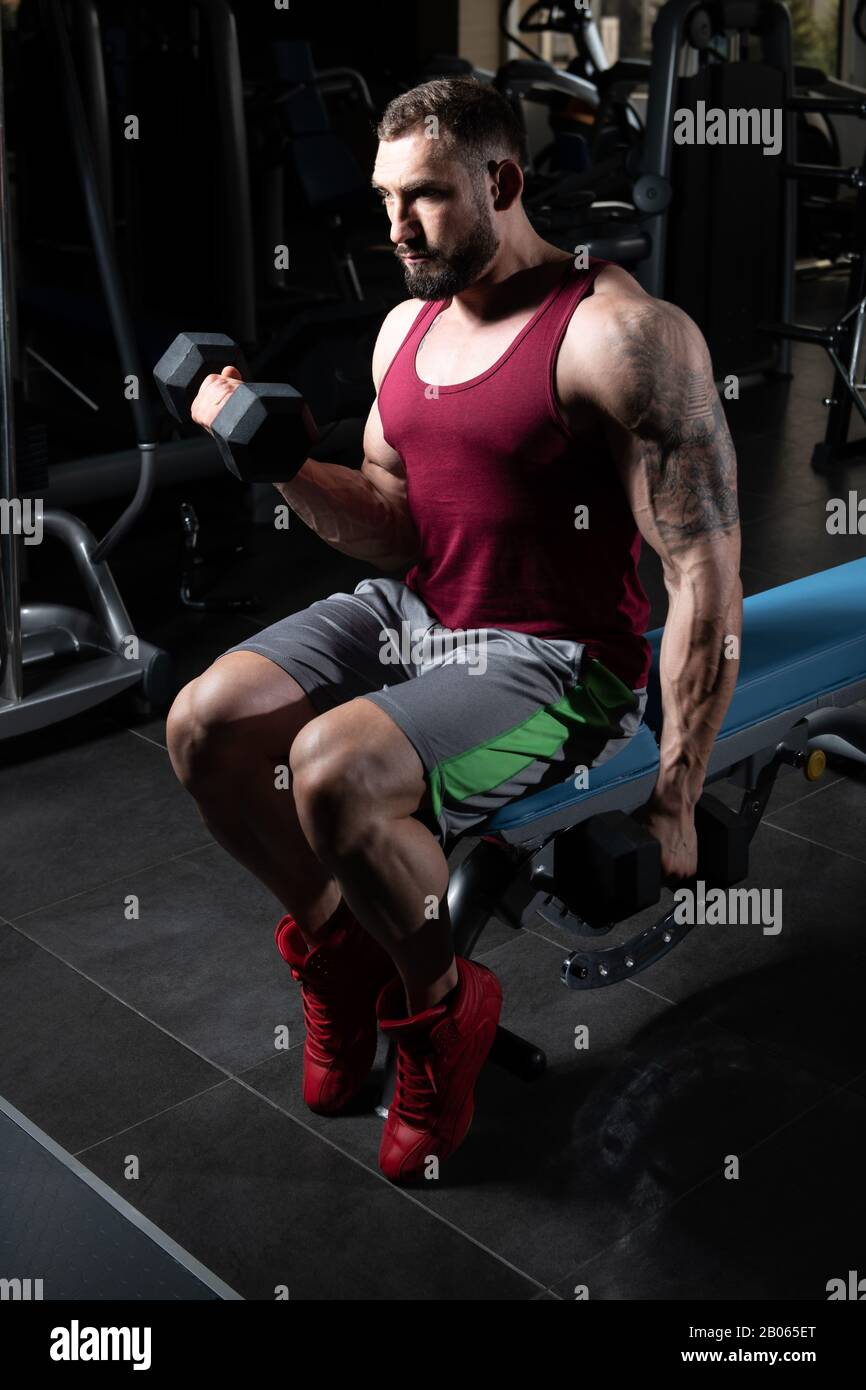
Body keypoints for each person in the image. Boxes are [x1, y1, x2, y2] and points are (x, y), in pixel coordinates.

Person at [166, 78, 742, 1183]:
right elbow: (389, 530)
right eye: (385, 199)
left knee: (329, 772)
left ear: (502, 182)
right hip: (415, 609)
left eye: (421, 199)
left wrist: (675, 789)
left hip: (558, 659)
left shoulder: (622, 338)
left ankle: (439, 1014)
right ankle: (341, 962)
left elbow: (701, 574)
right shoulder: (404, 326)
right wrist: (283, 461)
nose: (391, 228)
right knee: (203, 727)